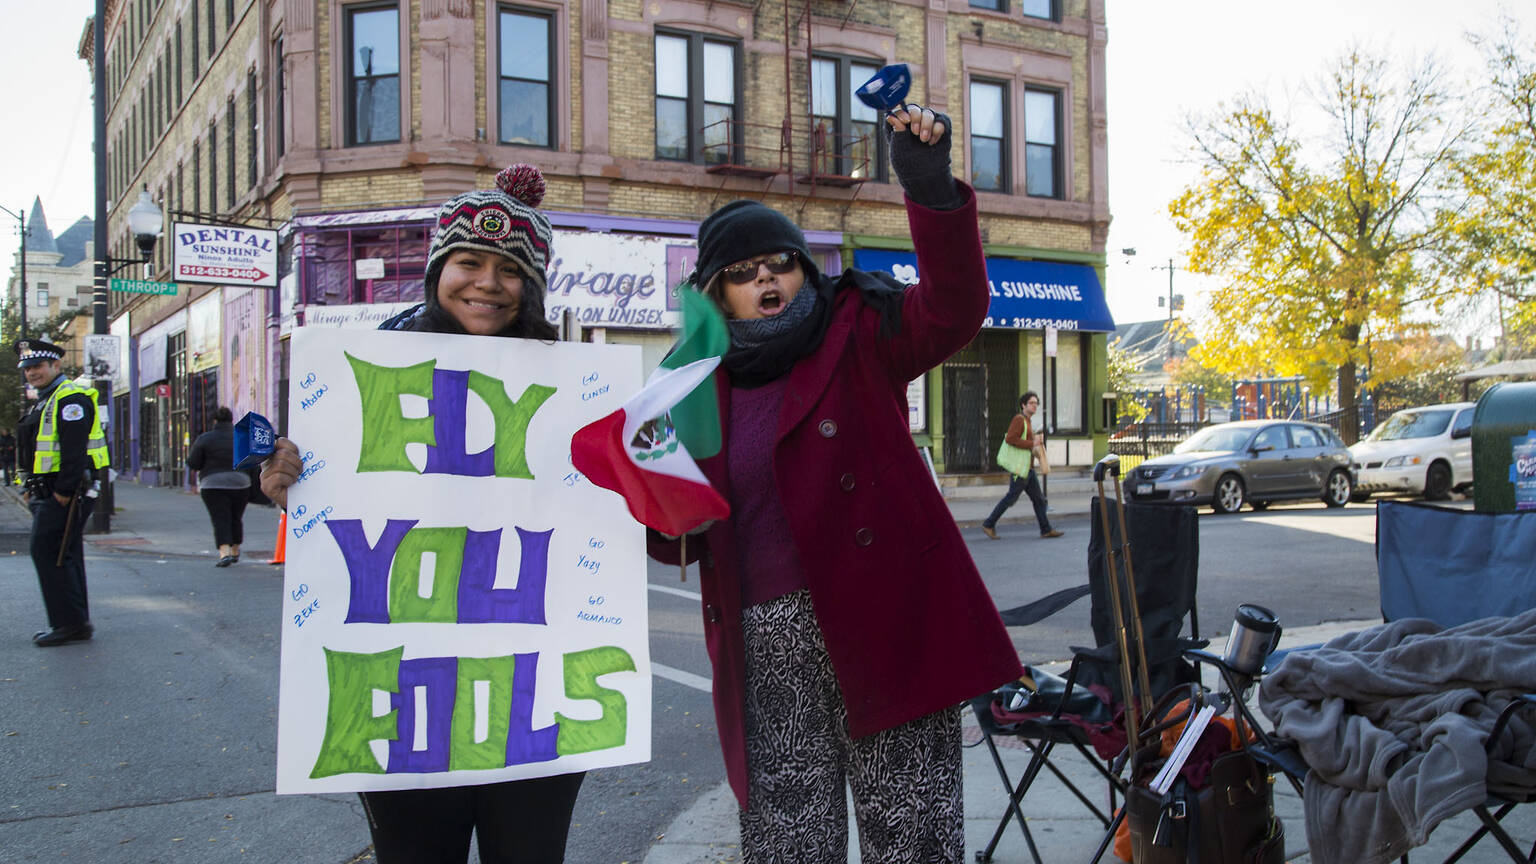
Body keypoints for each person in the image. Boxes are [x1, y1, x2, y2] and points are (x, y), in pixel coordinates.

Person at [647, 104, 1023, 863]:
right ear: (717, 294)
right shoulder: (690, 384)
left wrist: (927, 184)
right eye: (742, 273)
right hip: (765, 651)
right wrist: (660, 513)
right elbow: (674, 531)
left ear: (803, 268)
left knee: (911, 839)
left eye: (779, 262)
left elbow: (956, 308)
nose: (765, 278)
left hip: (883, 626)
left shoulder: (861, 328)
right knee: (790, 845)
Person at [259, 164, 585, 864]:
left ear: (533, 284)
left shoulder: (573, 386)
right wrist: (295, 487)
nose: (487, 283)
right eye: (469, 262)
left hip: (532, 696)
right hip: (405, 700)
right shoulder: (362, 375)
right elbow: (336, 512)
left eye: (511, 269)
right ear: (439, 267)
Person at [15, 339, 109, 647]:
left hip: (65, 491)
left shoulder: (70, 398)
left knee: (48, 552)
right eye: (27, 368)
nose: (32, 373)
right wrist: (29, 489)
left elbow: (74, 450)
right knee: (63, 554)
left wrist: (63, 492)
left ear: (56, 365)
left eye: (38, 366)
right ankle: (75, 622)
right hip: (49, 492)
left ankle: (68, 624)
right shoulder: (46, 399)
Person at [981, 391, 1064, 540]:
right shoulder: (1019, 419)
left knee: (1039, 499)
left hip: (1028, 469)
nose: (1034, 406)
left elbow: (1025, 442)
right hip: (1020, 468)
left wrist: (1035, 444)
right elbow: (1010, 439)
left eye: (1036, 403)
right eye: (1031, 403)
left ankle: (1046, 529)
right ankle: (988, 524)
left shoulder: (1027, 421)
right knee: (1011, 498)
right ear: (1023, 405)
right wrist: (1032, 443)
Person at [187, 406, 250, 566]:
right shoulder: (241, 437)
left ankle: (224, 553)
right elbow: (251, 461)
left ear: (215, 421)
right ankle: (235, 550)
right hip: (240, 482)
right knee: (236, 517)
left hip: (212, 484)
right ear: (231, 420)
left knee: (220, 518)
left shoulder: (204, 439)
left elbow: (194, 462)